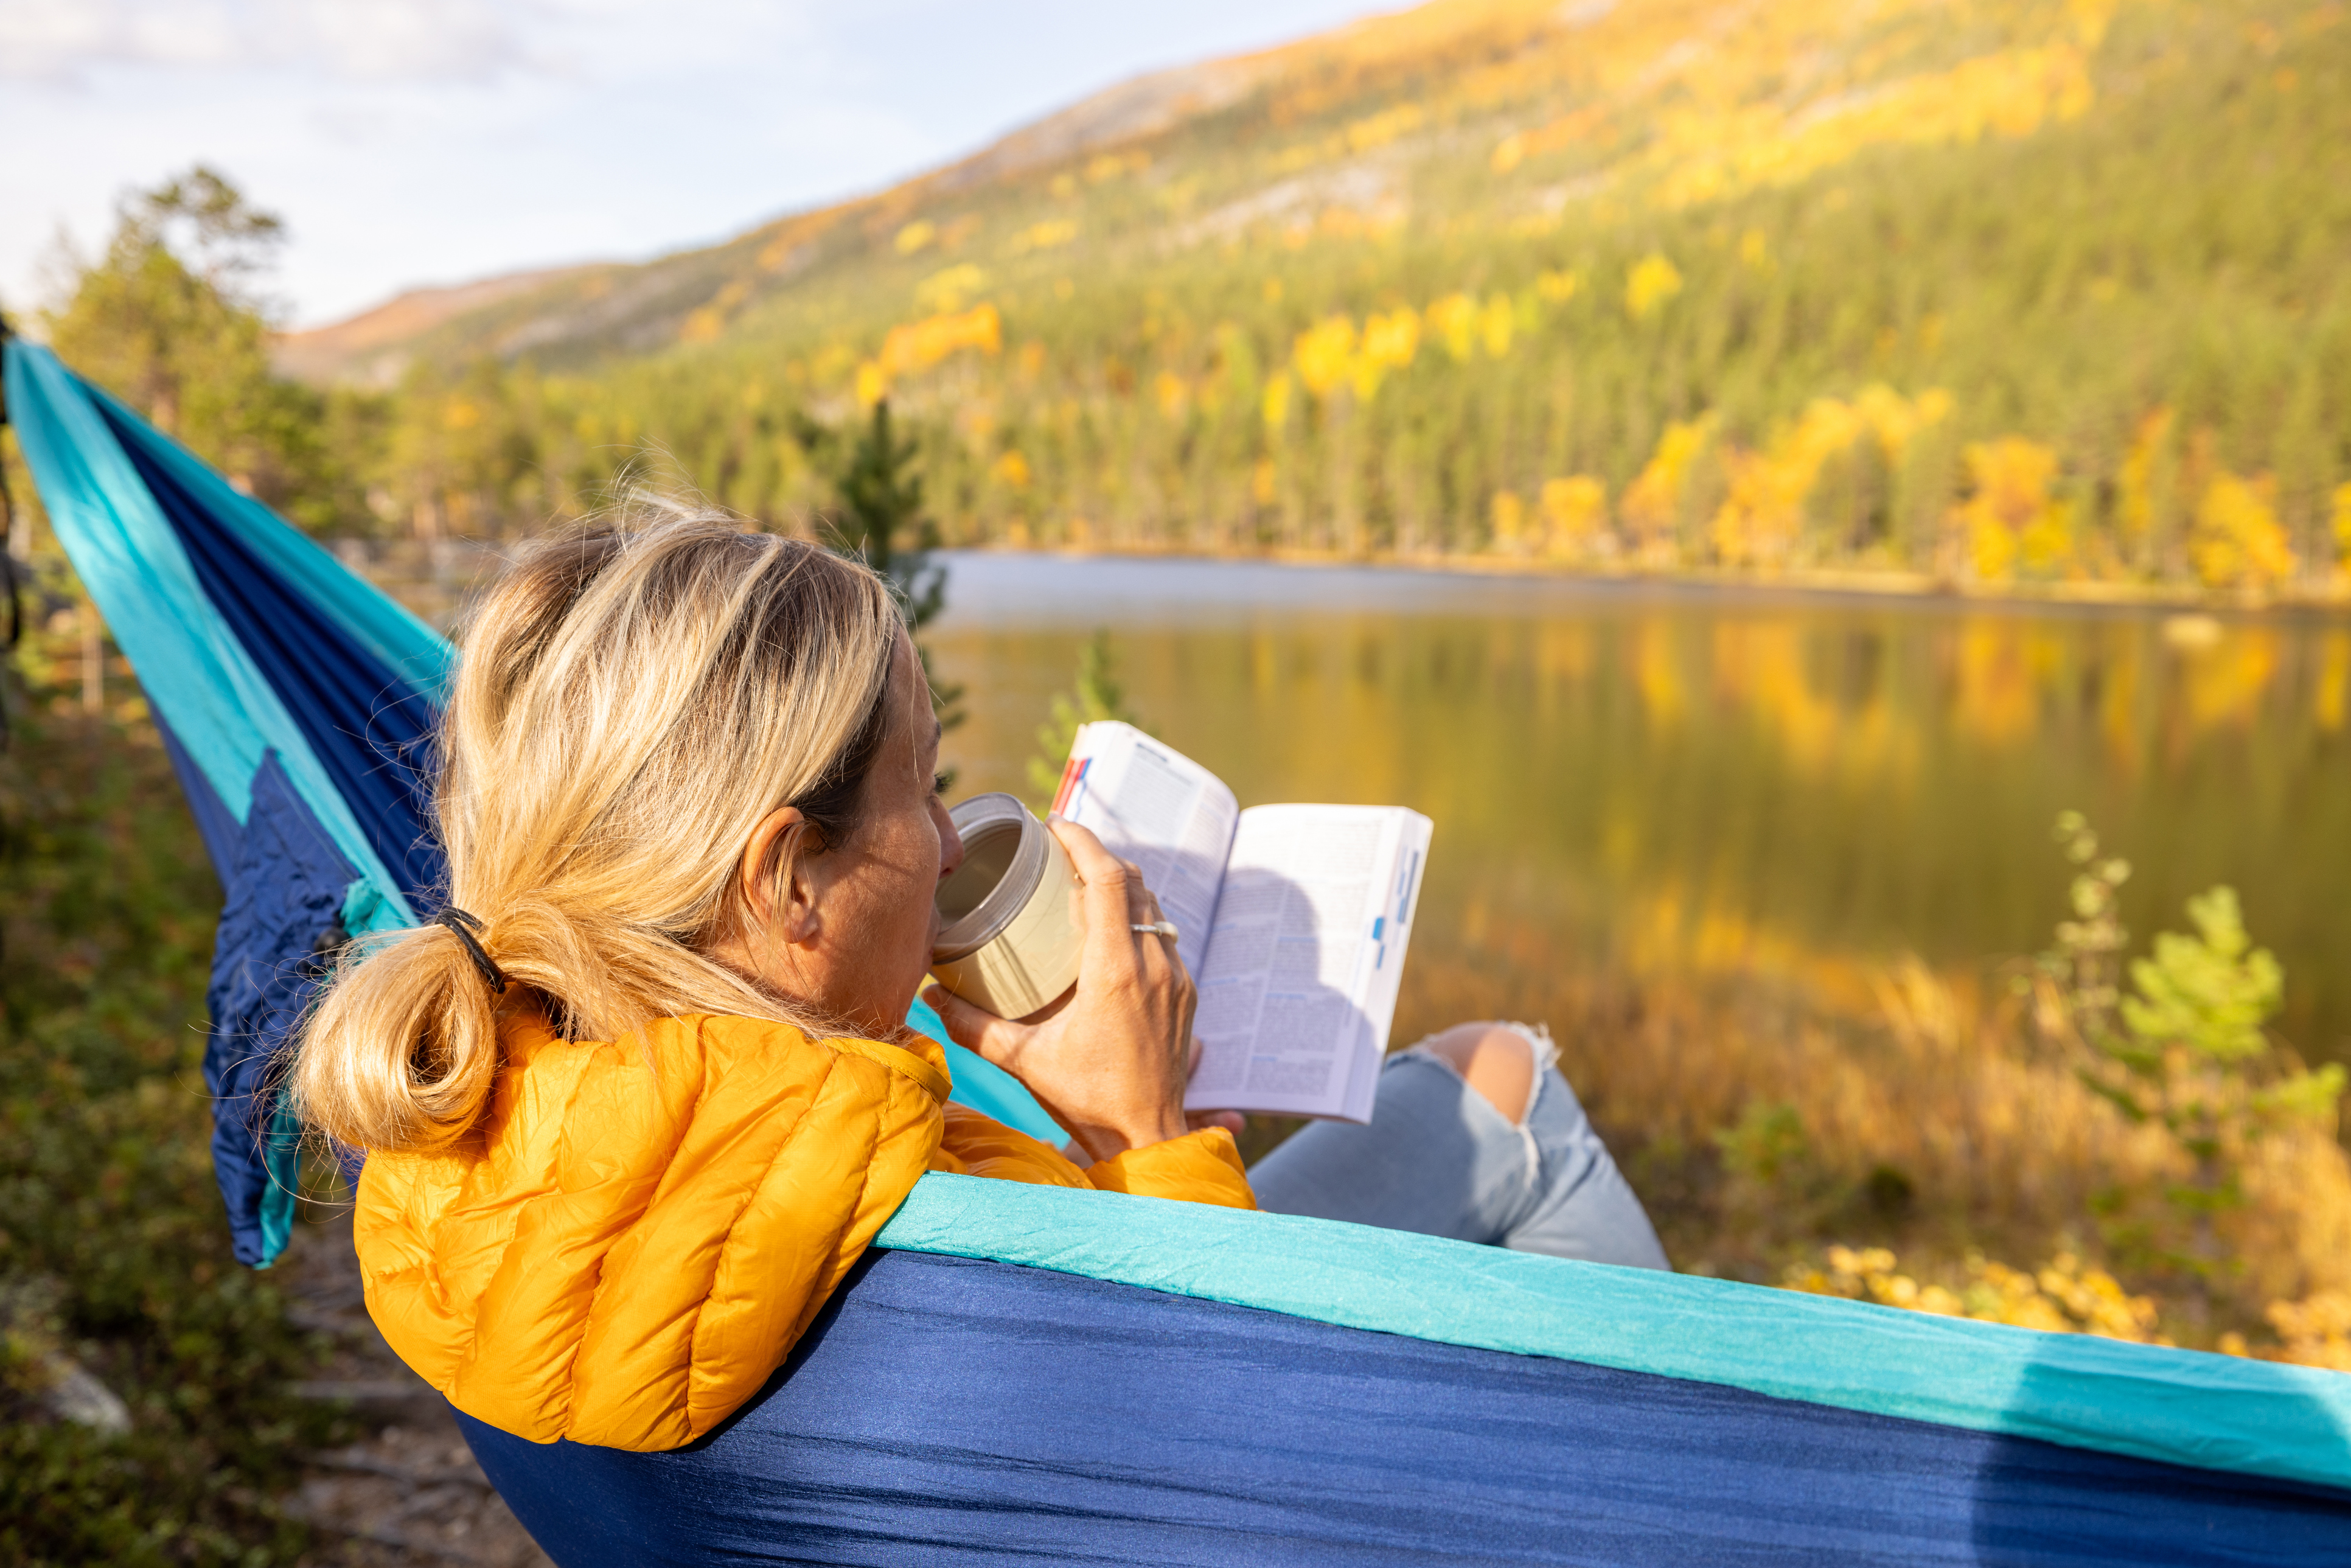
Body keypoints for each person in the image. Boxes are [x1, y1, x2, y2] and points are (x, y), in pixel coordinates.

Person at [292, 507, 1660, 1458]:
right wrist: (1143, 1129)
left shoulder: (469, 1124)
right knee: (1515, 1090)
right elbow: (1222, 1456)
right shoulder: (897, 1191)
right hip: (1218, 1412)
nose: (951, 843)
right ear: (788, 879)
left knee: (1486, 1069)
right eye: (925, 787)